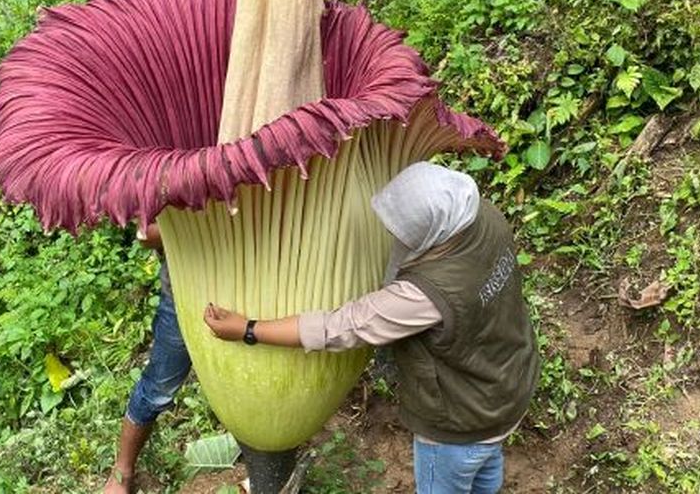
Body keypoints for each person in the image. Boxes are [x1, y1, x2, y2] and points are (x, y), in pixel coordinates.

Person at [204, 162, 540, 494]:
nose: (396, 237)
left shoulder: (426, 295)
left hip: (462, 424)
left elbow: (340, 327)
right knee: (486, 470)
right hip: (511, 387)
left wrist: (249, 329)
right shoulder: (480, 214)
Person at [104, 223, 191, 494]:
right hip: (182, 299)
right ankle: (123, 471)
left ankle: (263, 464)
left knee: (242, 385)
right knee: (158, 387)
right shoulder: (159, 180)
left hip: (246, 296)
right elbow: (147, 234)